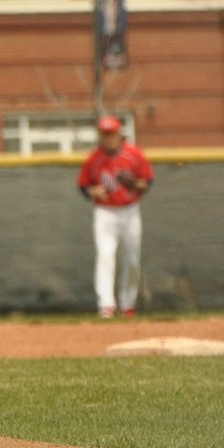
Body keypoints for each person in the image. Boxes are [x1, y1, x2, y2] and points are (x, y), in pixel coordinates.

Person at [75, 114, 153, 318]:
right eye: (104, 134)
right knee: (105, 255)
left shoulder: (134, 154)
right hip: (105, 212)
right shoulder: (94, 158)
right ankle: (106, 304)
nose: (108, 138)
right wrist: (93, 192)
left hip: (129, 210)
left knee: (132, 258)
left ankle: (127, 303)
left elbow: (147, 181)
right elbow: (83, 186)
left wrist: (137, 185)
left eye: (111, 133)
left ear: (119, 133)